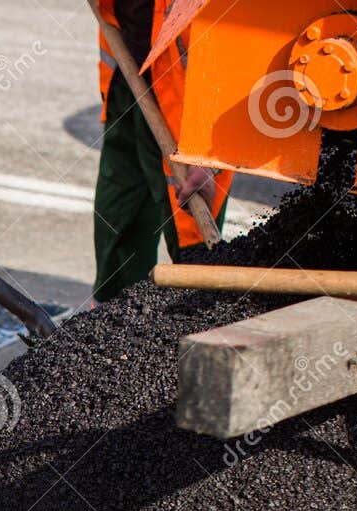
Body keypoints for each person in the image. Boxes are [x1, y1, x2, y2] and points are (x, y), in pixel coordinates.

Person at [91, 0, 229, 302]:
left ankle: (200, 335)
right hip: (128, 74)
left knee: (197, 256)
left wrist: (210, 154)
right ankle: (111, 332)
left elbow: (244, 51)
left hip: (192, 121)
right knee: (119, 225)